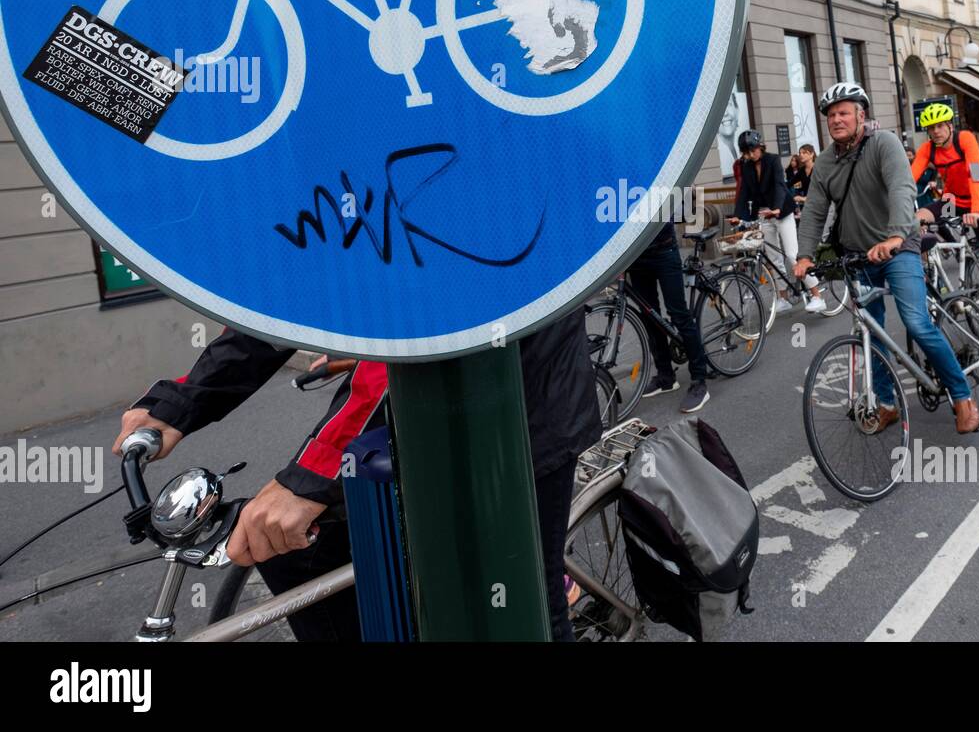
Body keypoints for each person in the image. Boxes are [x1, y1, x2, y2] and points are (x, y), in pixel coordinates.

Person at [111, 312, 602, 643]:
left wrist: (311, 477)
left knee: (522, 614)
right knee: (305, 557)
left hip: (518, 409)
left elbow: (438, 308)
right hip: (416, 399)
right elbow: (291, 287)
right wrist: (182, 402)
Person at [793, 83, 979, 434]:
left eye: (844, 112)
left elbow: (901, 186)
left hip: (899, 248)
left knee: (915, 320)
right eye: (831, 114)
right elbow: (815, 211)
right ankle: (886, 404)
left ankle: (962, 395)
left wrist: (897, 235)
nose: (837, 119)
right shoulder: (824, 162)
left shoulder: (884, 144)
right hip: (858, 257)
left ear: (861, 115)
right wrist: (804, 256)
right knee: (871, 330)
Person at [911, 102, 979, 350]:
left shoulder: (966, 140)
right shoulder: (928, 150)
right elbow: (910, 179)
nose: (936, 131)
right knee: (917, 218)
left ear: (950, 126)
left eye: (940, 126)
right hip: (951, 201)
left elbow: (976, 174)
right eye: (931, 128)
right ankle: (935, 275)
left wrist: (977, 210)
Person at [729, 129, 827, 315]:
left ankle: (817, 296)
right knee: (774, 259)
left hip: (782, 211)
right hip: (763, 214)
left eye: (752, 150)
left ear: (760, 146)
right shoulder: (746, 166)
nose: (750, 155)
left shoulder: (772, 160)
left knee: (792, 254)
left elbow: (779, 185)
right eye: (746, 152)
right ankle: (783, 298)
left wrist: (777, 208)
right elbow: (744, 192)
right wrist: (738, 214)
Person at [631, 220, 714, 413]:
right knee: (649, 317)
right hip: (635, 257)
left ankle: (699, 380)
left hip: (663, 250)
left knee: (679, 315)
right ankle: (665, 377)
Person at [787, 143, 816, 216]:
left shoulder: (818, 168)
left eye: (804, 153)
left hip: (819, 205)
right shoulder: (802, 171)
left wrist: (802, 198)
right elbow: (790, 183)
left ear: (812, 154)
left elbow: (821, 191)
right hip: (807, 206)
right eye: (800, 153)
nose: (801, 155)